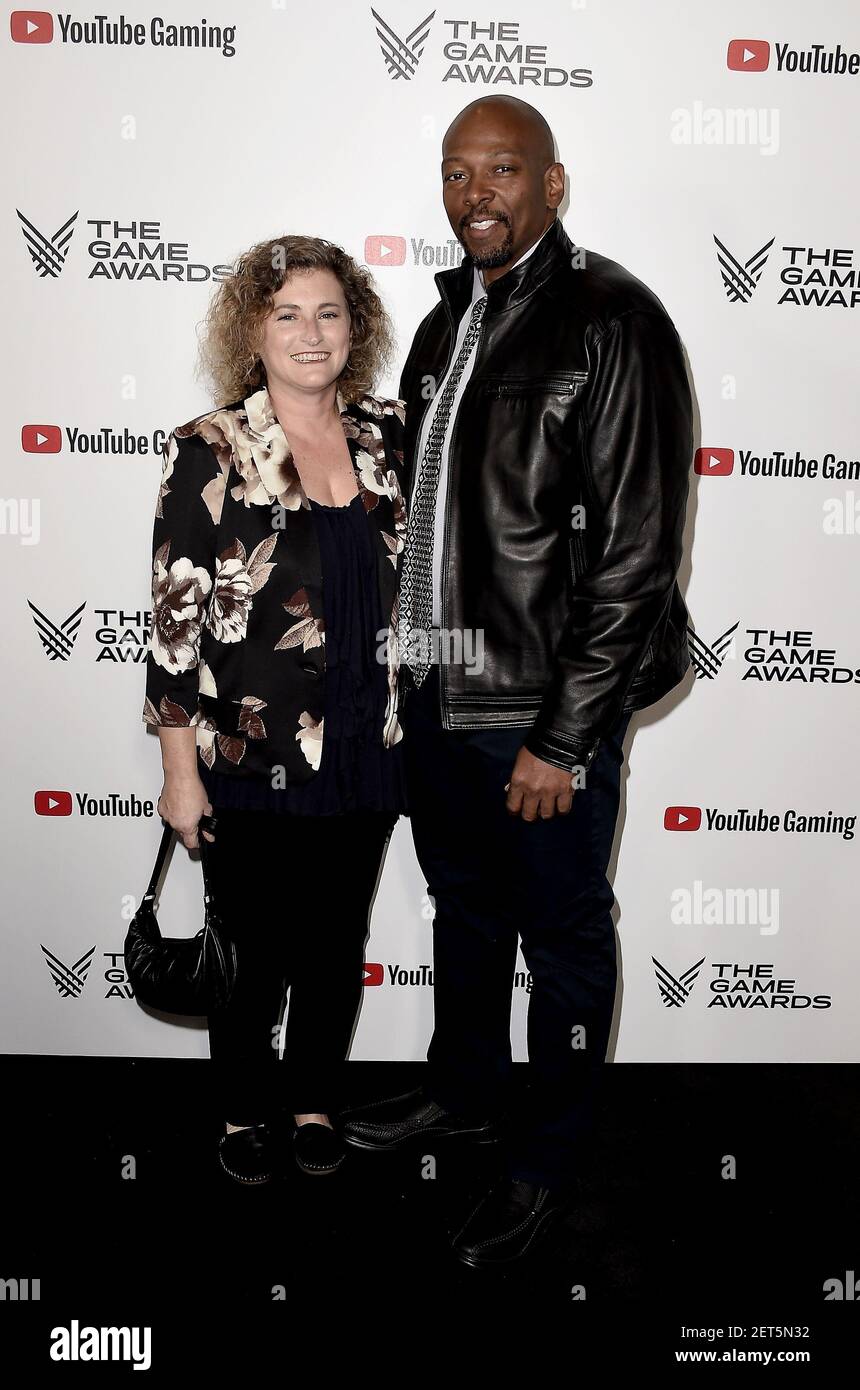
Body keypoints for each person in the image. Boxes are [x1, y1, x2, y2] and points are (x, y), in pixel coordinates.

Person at [342, 95, 693, 1265]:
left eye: (501, 169)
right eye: (456, 171)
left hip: (540, 715)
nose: (474, 192)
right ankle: (466, 1090)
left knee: (560, 934)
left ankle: (544, 1156)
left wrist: (567, 735)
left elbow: (639, 554)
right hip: (441, 695)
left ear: (553, 184)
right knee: (467, 913)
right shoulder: (448, 327)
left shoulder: (612, 320)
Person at [142, 235, 409, 1184]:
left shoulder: (388, 439)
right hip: (251, 753)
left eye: (329, 312)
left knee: (337, 945)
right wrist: (180, 773)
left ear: (356, 327)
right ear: (253, 330)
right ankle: (242, 1113)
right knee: (252, 952)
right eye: (286, 312)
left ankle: (311, 1099)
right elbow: (176, 626)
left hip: (368, 751)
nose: (310, 332)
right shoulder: (210, 448)